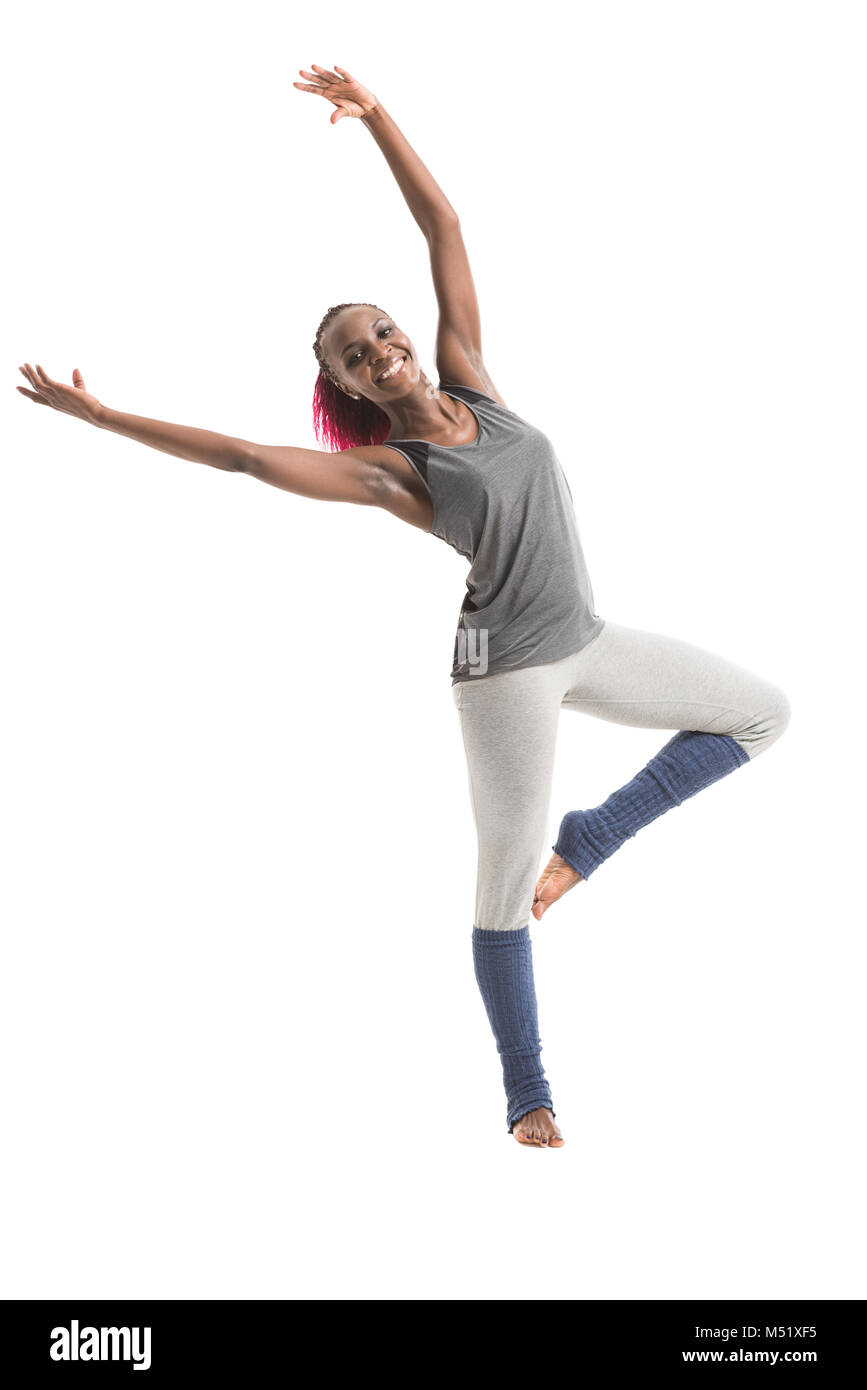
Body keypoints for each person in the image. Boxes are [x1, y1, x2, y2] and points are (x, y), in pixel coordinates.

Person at [17, 64, 791, 1150]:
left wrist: (378, 116)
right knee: (501, 888)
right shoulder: (396, 469)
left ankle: (595, 836)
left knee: (761, 712)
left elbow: (444, 222)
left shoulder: (472, 375)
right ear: (352, 387)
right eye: (357, 356)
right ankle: (528, 1095)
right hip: (506, 671)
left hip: (589, 638)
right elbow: (244, 457)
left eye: (381, 331)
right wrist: (104, 419)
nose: (383, 348)